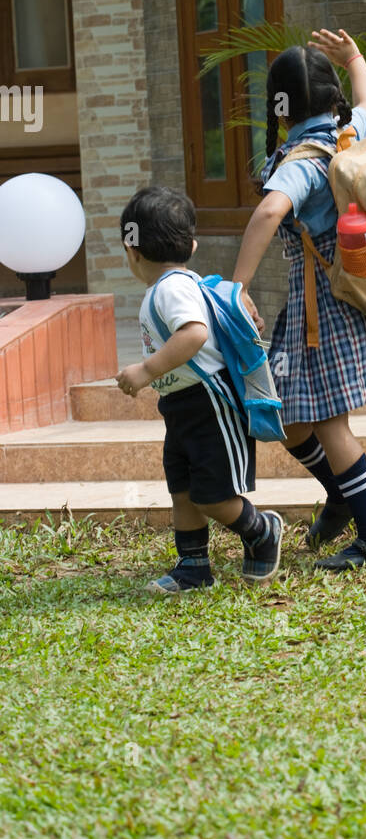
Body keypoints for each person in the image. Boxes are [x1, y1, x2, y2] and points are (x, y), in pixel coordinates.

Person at [232, 29, 366, 573]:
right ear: (329, 97)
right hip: (333, 298)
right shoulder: (344, 133)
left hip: (325, 304)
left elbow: (270, 212)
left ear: (279, 107)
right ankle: (343, 495)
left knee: (331, 424)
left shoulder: (303, 159)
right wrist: (354, 57)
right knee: (291, 420)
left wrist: (237, 287)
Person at [116, 186, 284, 594]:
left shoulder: (172, 288)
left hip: (210, 402)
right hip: (181, 404)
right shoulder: (173, 285)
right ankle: (193, 568)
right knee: (184, 490)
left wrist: (145, 370)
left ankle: (262, 530)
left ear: (132, 250)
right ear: (191, 243)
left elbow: (193, 334)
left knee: (212, 495)